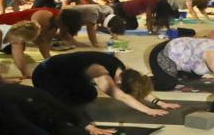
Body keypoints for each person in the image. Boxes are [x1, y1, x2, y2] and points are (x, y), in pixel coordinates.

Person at [30, 49, 171, 128]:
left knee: (90, 94)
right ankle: (43, 100)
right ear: (120, 82)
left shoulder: (122, 70)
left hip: (68, 74)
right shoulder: (100, 72)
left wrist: (159, 103)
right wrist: (148, 110)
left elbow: (139, 85)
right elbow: (122, 96)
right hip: (45, 75)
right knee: (65, 107)